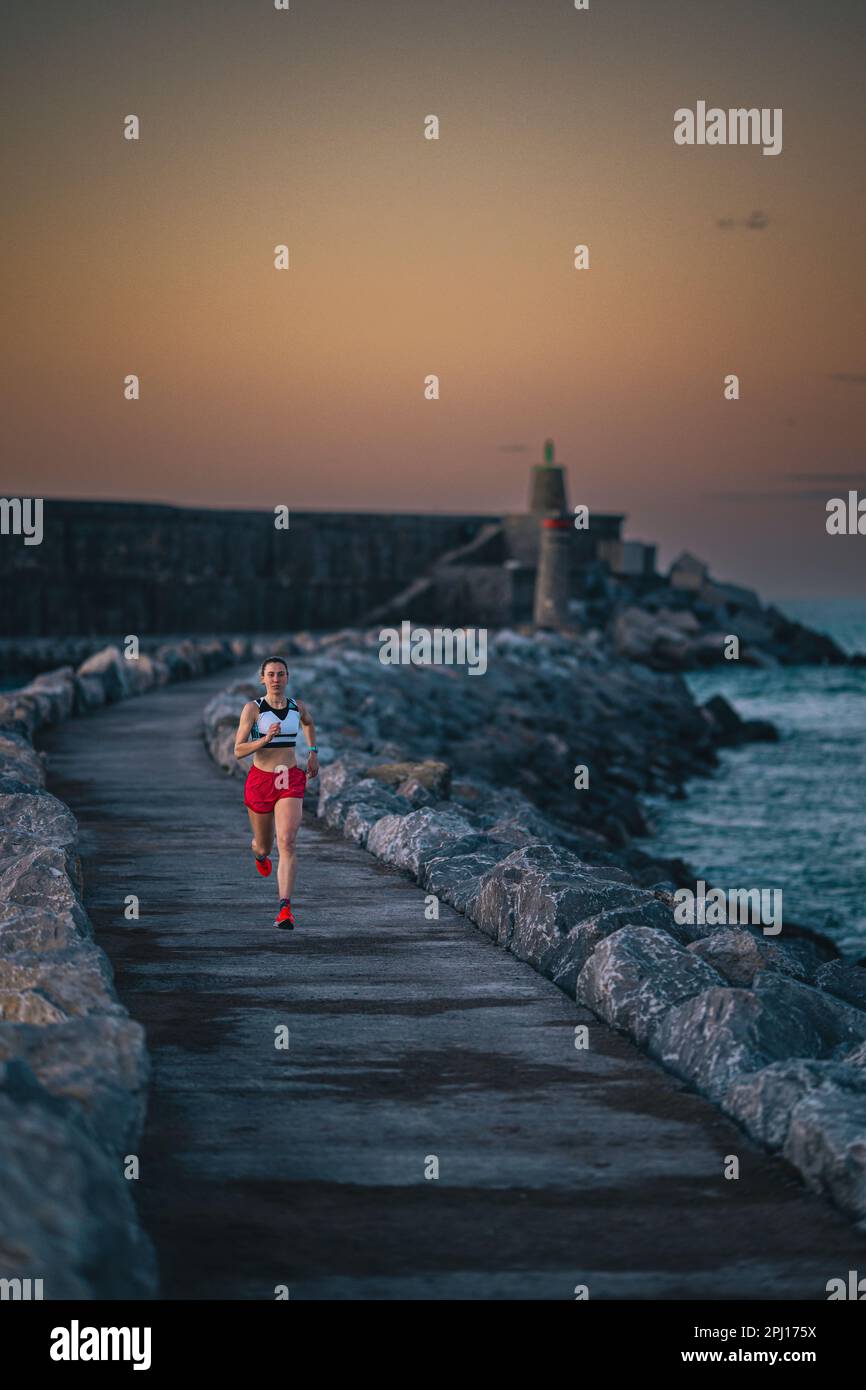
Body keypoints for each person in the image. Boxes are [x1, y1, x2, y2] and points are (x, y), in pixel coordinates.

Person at [233, 656, 319, 928]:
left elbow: (308, 724)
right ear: (262, 679)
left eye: (281, 674)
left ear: (287, 677)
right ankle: (259, 854)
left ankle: (285, 909)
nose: (276, 679)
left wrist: (313, 752)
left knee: (288, 841)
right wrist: (264, 740)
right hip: (261, 780)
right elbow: (237, 750)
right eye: (270, 674)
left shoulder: (297, 707)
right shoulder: (253, 709)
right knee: (265, 845)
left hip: (289, 778)